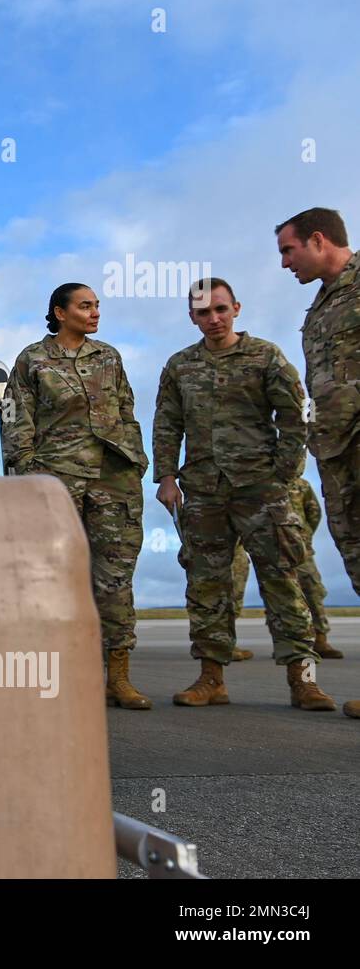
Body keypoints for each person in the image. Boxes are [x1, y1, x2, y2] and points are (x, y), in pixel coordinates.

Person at [154, 279, 333, 710]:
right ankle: (211, 678)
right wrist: (165, 477)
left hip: (261, 490)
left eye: (220, 310)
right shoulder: (180, 366)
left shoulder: (265, 356)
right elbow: (167, 423)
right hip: (205, 492)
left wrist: (285, 475)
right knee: (206, 586)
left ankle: (303, 681)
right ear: (192, 317)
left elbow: (296, 414)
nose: (213, 320)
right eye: (203, 313)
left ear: (236, 307)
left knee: (282, 582)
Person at [3, 283, 150, 709]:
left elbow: (126, 409)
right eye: (85, 306)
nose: (95, 313)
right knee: (50, 577)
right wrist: (27, 466)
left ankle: (118, 678)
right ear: (60, 312)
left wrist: (136, 460)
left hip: (113, 476)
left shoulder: (108, 356)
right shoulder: (33, 359)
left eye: (97, 306)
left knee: (115, 578)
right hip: (56, 478)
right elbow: (15, 414)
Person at [278, 207, 360, 719]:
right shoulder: (318, 308)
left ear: (317, 239)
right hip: (335, 449)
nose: (285, 263)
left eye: (288, 251)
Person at [226, 478, 341, 660]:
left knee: (312, 591)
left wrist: (303, 537)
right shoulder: (254, 483)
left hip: (296, 547)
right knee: (273, 592)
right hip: (264, 541)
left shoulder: (301, 485)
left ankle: (320, 639)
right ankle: (281, 644)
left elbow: (314, 513)